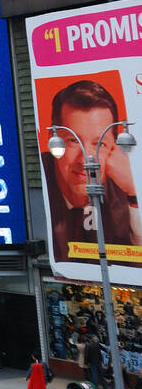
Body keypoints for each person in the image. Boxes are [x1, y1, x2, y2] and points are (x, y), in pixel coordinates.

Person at [42, 80, 141, 262]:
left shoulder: (124, 186)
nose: (86, 159)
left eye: (100, 144)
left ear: (115, 148)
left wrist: (134, 195)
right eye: (73, 140)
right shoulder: (38, 180)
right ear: (53, 139)